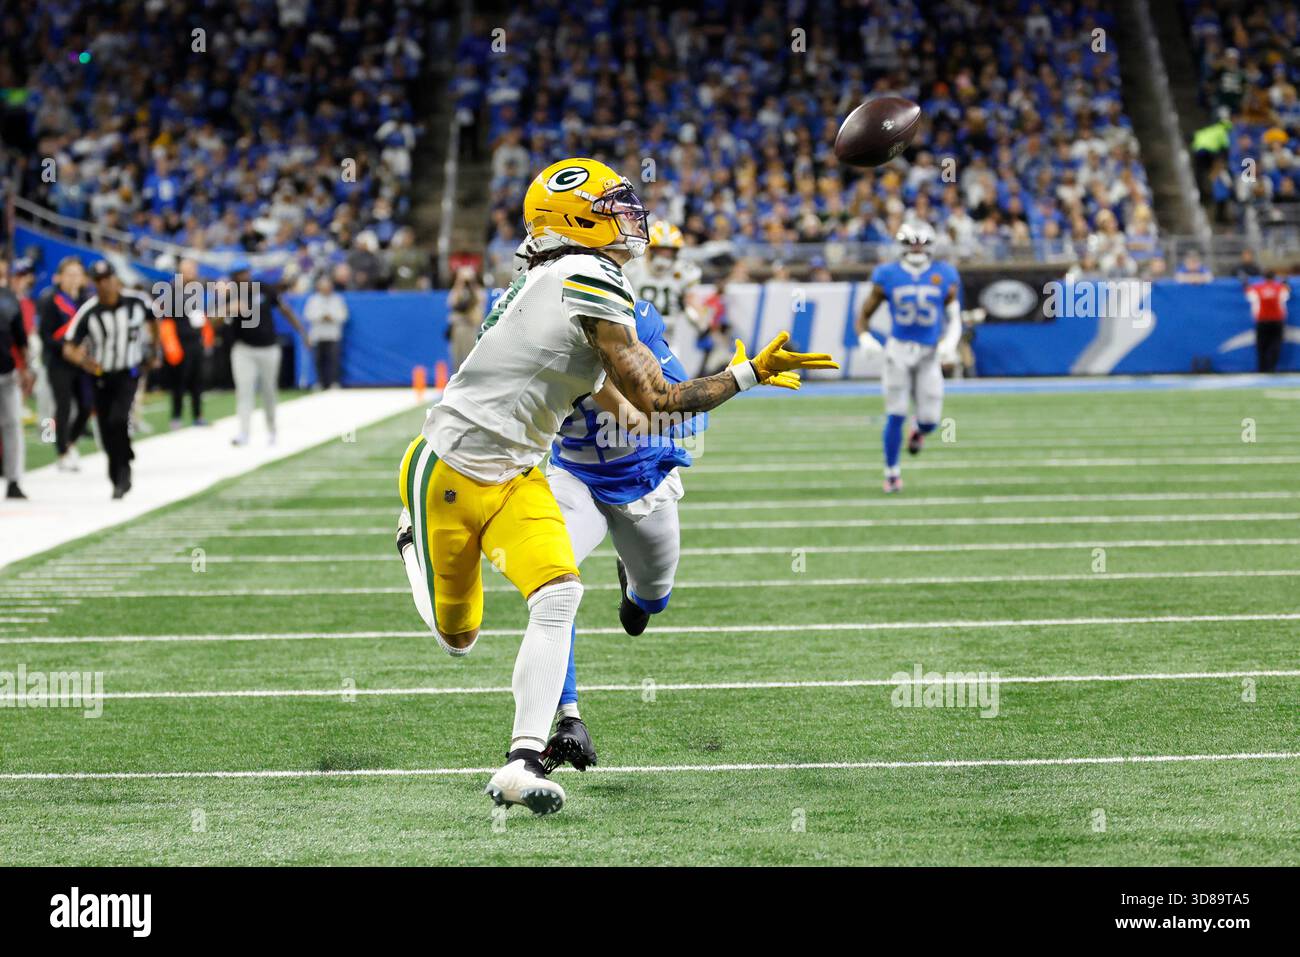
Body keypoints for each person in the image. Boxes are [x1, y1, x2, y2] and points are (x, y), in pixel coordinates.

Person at [393, 157, 836, 815]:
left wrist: (653, 436)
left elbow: (620, 397)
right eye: (613, 209)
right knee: (458, 636)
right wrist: (748, 374)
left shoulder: (553, 278)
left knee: (560, 591)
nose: (631, 220)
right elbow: (660, 393)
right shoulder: (587, 274)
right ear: (574, 220)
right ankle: (410, 541)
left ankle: (522, 759)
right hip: (450, 473)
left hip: (520, 475)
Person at [854, 223, 963, 494]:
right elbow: (864, 315)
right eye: (911, 244)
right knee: (896, 413)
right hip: (898, 350)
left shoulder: (944, 274)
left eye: (921, 244)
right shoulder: (888, 274)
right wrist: (865, 338)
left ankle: (918, 430)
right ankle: (892, 473)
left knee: (930, 419)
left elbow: (954, 317)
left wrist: (949, 343)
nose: (916, 250)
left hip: (928, 353)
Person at [61, 261, 159, 498]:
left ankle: (120, 471)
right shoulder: (81, 308)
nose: (105, 284)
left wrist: (154, 350)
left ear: (116, 279)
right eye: (99, 280)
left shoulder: (136, 302)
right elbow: (66, 345)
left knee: (117, 419)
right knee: (92, 424)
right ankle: (59, 447)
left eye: (108, 278)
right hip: (93, 374)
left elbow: (154, 321)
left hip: (127, 371)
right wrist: (84, 362)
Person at [216, 260, 306, 446]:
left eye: (245, 273)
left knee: (269, 390)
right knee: (244, 390)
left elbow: (285, 310)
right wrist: (226, 310)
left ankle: (272, 430)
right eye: (239, 274)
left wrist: (302, 331)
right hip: (243, 349)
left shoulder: (263, 289)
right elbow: (213, 321)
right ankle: (243, 433)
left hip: (268, 347)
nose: (243, 277)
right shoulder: (230, 295)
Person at [36, 256, 92, 471]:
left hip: (81, 359)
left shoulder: (86, 300)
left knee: (87, 405)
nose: (73, 279)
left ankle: (70, 442)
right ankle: (61, 452)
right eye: (69, 274)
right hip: (58, 361)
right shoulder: (50, 299)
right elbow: (45, 334)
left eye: (77, 274)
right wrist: (66, 349)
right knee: (64, 405)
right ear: (60, 277)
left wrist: (85, 350)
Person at [162, 257, 212, 428]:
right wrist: (171, 346)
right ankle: (176, 416)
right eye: (188, 269)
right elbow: (167, 321)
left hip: (195, 342)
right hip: (180, 342)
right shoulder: (172, 290)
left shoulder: (196, 290)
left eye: (193, 269)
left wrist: (206, 337)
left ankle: (198, 415)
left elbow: (200, 316)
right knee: (179, 382)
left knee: (197, 381)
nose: (192, 272)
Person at [0, 260, 33, 499]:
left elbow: (22, 337)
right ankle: (61, 447)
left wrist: (27, 368)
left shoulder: (11, 299)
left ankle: (13, 479)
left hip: (9, 371)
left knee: (13, 425)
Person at [303, 275, 347, 389]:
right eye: (323, 287)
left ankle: (334, 382)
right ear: (319, 288)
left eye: (328, 287)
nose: (326, 289)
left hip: (333, 335)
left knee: (334, 360)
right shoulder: (313, 300)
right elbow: (307, 315)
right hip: (318, 334)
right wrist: (321, 317)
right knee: (318, 360)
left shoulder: (337, 299)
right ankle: (320, 382)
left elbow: (343, 316)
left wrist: (331, 317)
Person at [1245, 271, 1291, 373]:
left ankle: (1262, 368)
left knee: (1261, 345)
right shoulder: (1280, 288)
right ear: (1274, 278)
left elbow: (1248, 294)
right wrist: (1286, 284)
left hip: (1262, 320)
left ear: (1263, 278)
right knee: (1276, 344)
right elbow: (1287, 295)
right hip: (1277, 320)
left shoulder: (1257, 288)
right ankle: (1271, 368)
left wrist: (1245, 284)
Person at [446, 266, 484, 371]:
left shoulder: (477, 292)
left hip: (470, 327)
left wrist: (472, 284)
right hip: (458, 327)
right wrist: (459, 283)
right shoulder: (457, 291)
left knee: (470, 357)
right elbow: (451, 302)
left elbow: (480, 301)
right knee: (456, 357)